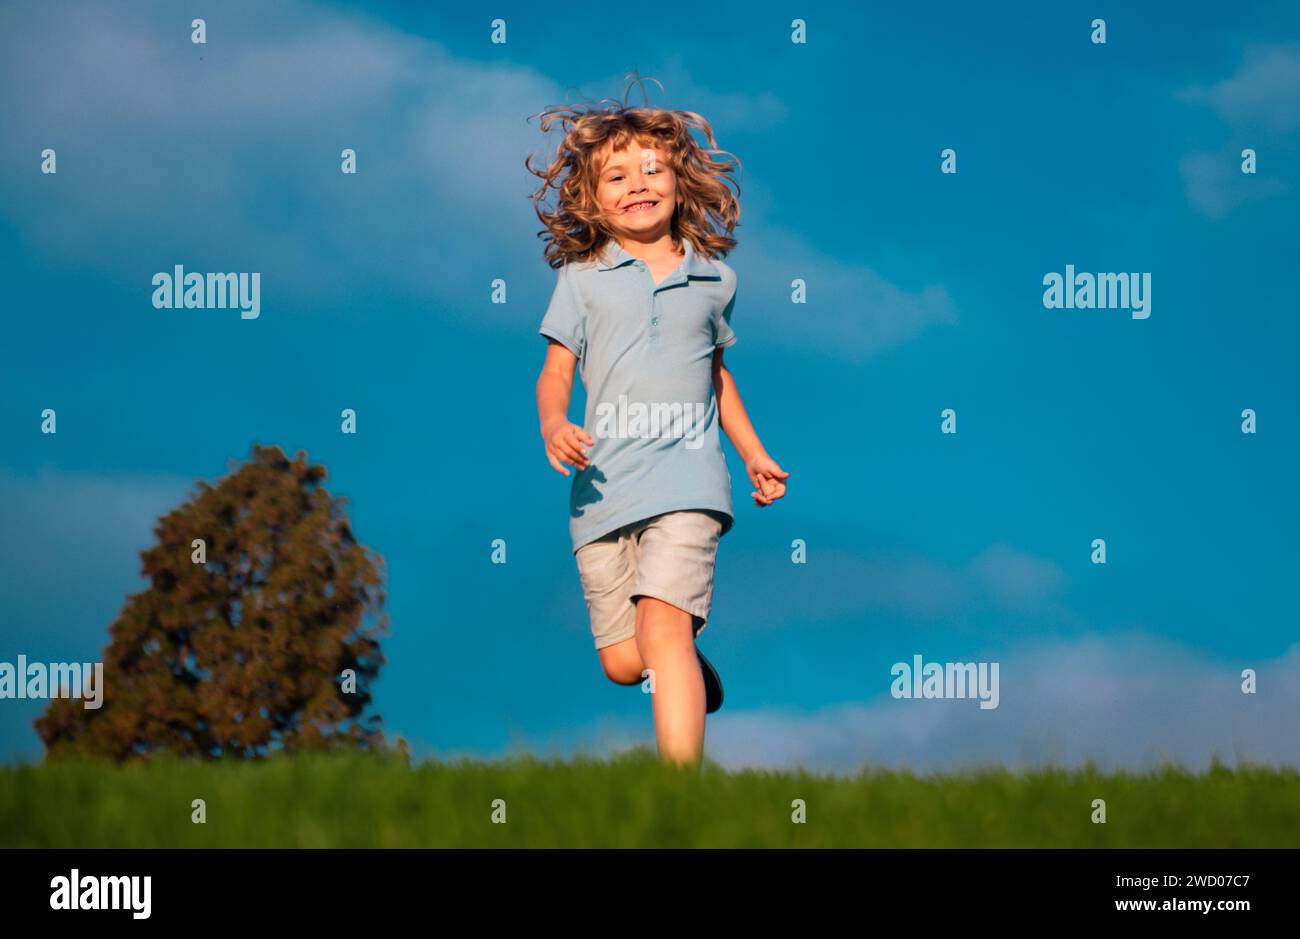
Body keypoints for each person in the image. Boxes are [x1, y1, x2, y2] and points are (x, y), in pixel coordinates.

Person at [529, 98, 788, 768]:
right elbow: (555, 373)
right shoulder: (582, 280)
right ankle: (690, 668)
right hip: (604, 489)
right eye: (617, 176)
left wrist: (753, 454)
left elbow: (718, 378)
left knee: (660, 625)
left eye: (653, 169)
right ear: (591, 199)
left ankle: (680, 796)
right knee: (623, 660)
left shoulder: (713, 280)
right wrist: (555, 422)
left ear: (681, 183)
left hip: (688, 481)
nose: (638, 183)